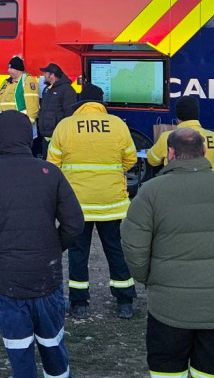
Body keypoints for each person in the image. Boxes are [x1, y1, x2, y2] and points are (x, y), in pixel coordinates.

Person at [122, 128, 214, 378]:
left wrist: (150, 278)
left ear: (170, 153)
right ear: (204, 152)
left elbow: (134, 245)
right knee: (211, 368)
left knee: (166, 368)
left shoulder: (151, 191)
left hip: (169, 305)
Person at [0, 111, 84, 378]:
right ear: (29, 137)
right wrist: (53, 246)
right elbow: (74, 223)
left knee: (19, 352)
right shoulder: (50, 172)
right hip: (46, 278)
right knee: (53, 347)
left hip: (7, 282)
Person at [46, 84, 138, 319]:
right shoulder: (117, 124)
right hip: (112, 203)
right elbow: (131, 160)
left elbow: (52, 165)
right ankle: (125, 300)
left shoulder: (65, 125)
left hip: (77, 204)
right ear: (100, 104)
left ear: (80, 104)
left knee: (78, 252)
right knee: (115, 249)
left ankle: (79, 303)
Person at [145, 95, 214, 173]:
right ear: (197, 113)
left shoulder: (168, 137)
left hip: (176, 183)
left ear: (177, 115)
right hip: (207, 183)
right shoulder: (213, 136)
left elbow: (152, 160)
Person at [36, 63, 77, 159]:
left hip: (58, 138)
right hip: (45, 137)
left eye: (45, 73)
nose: (43, 75)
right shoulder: (47, 89)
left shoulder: (67, 90)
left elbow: (69, 113)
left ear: (52, 75)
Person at [0, 57, 39, 124]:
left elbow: (32, 105)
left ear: (18, 70)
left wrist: (28, 123)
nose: (8, 70)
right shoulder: (6, 82)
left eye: (11, 68)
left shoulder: (27, 80)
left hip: (19, 124)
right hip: (3, 123)